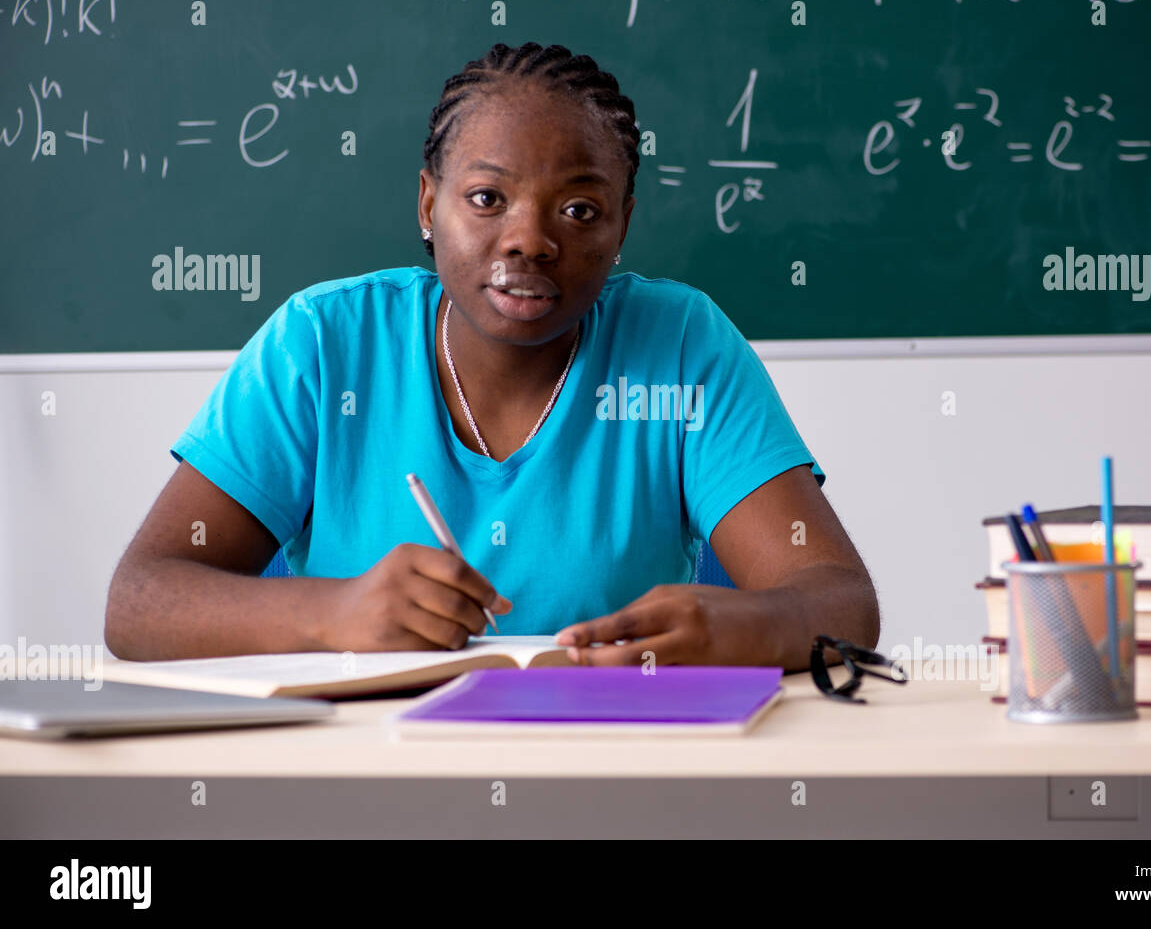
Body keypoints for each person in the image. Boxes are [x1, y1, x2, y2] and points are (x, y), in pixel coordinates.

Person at [105, 42, 879, 669]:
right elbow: (139, 601)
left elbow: (839, 599)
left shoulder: (680, 346)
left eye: (580, 210)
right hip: (367, 773)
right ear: (426, 205)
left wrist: (743, 628)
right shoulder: (321, 344)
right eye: (486, 198)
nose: (530, 240)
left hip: (611, 768)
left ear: (623, 226)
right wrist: (332, 612)